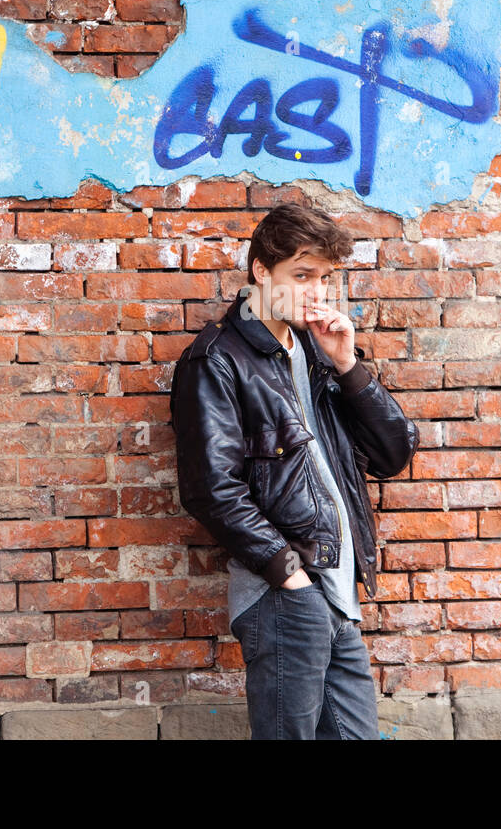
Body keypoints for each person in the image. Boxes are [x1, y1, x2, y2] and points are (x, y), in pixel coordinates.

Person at [169, 202, 419, 739]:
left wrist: (348, 366)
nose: (316, 293)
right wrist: (289, 576)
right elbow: (211, 489)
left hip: (336, 594)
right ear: (261, 271)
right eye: (301, 276)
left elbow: (392, 455)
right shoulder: (216, 359)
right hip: (285, 593)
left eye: (323, 278)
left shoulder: (318, 349)